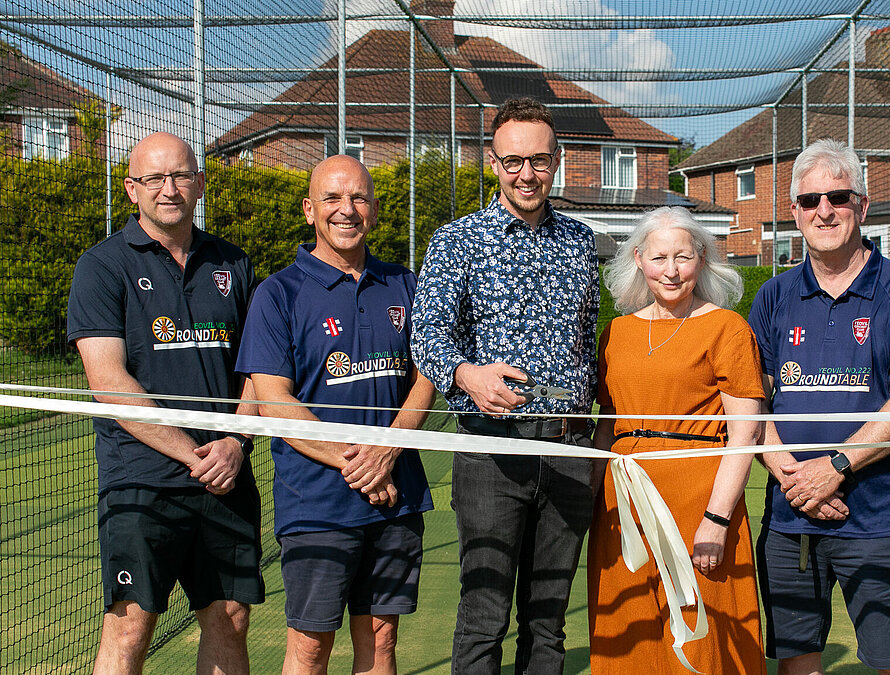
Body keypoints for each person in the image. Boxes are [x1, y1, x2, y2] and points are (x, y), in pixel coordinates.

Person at [411, 97, 599, 674]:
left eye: (540, 161)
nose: (528, 174)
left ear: (558, 161)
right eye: (514, 160)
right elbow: (427, 336)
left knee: (548, 620)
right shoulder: (455, 241)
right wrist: (468, 374)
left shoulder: (580, 240)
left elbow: (588, 340)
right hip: (491, 449)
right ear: (492, 162)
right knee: (484, 614)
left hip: (567, 450)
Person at [66, 131, 263, 674]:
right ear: (132, 189)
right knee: (130, 625)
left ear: (199, 183)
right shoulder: (102, 267)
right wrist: (190, 453)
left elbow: (259, 370)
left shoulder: (233, 263)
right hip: (142, 481)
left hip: (227, 475)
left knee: (230, 617)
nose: (169, 189)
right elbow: (107, 380)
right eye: (154, 178)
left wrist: (235, 442)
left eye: (180, 175)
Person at [236, 155, 435, 674]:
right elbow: (274, 400)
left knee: (382, 640)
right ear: (309, 209)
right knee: (310, 647)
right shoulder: (277, 293)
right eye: (332, 198)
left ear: (374, 210)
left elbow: (428, 376)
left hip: (396, 497)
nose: (346, 210)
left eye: (359, 198)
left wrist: (389, 449)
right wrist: (363, 464)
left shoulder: (403, 284)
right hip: (317, 504)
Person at [749, 139, 890, 675]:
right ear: (794, 213)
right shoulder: (773, 296)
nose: (824, 210)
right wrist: (794, 480)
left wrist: (834, 468)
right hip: (790, 518)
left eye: (838, 196)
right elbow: (753, 403)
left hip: (878, 517)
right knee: (796, 664)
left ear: (863, 205)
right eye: (810, 201)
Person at [588, 206, 767, 674]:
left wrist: (717, 519)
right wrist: (589, 501)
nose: (671, 270)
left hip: (698, 504)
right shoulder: (616, 332)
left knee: (706, 632)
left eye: (683, 257)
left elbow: (745, 434)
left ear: (702, 260)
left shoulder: (727, 327)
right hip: (624, 505)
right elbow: (606, 429)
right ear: (639, 261)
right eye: (659, 257)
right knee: (629, 634)